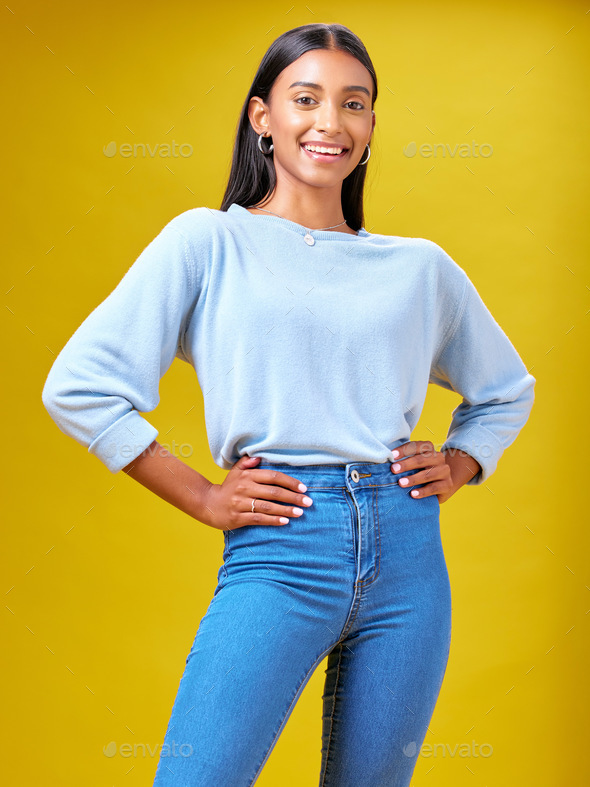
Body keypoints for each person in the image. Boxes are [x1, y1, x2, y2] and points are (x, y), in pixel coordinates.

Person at [41, 22, 535, 787]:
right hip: (283, 546)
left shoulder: (417, 267)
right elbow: (79, 385)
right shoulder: (207, 243)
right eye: (305, 99)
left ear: (372, 127)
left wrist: (462, 460)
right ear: (261, 116)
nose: (330, 122)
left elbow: (506, 390)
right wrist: (205, 496)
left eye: (354, 104)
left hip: (408, 557)